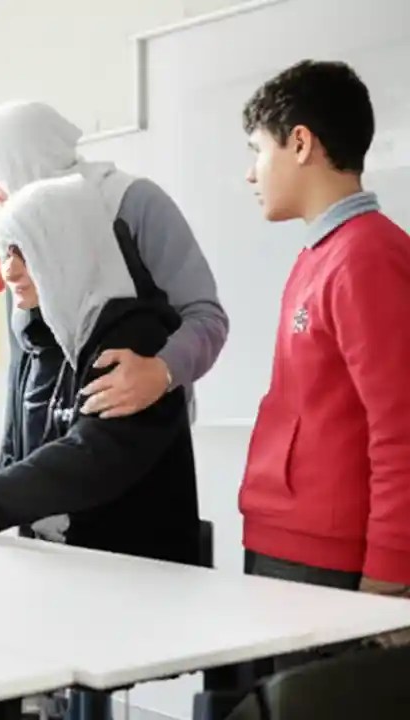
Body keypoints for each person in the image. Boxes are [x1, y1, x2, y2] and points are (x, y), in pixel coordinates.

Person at [0, 174, 200, 568]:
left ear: (66, 249)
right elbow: (18, 460)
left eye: (24, 252)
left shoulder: (135, 337)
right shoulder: (40, 337)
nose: (9, 271)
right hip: (59, 567)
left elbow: (89, 458)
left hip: (137, 579)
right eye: (4, 253)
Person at [239, 60, 410, 646]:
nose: (250, 173)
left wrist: (389, 574)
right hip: (285, 545)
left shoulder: (368, 256)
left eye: (258, 150)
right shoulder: (320, 253)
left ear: (301, 142)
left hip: (330, 562)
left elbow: (401, 427)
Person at [0, 100, 228, 422]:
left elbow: (205, 317)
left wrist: (162, 369)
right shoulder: (20, 234)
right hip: (43, 448)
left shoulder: (133, 203)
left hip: (132, 430)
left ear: (20, 161)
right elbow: (23, 366)